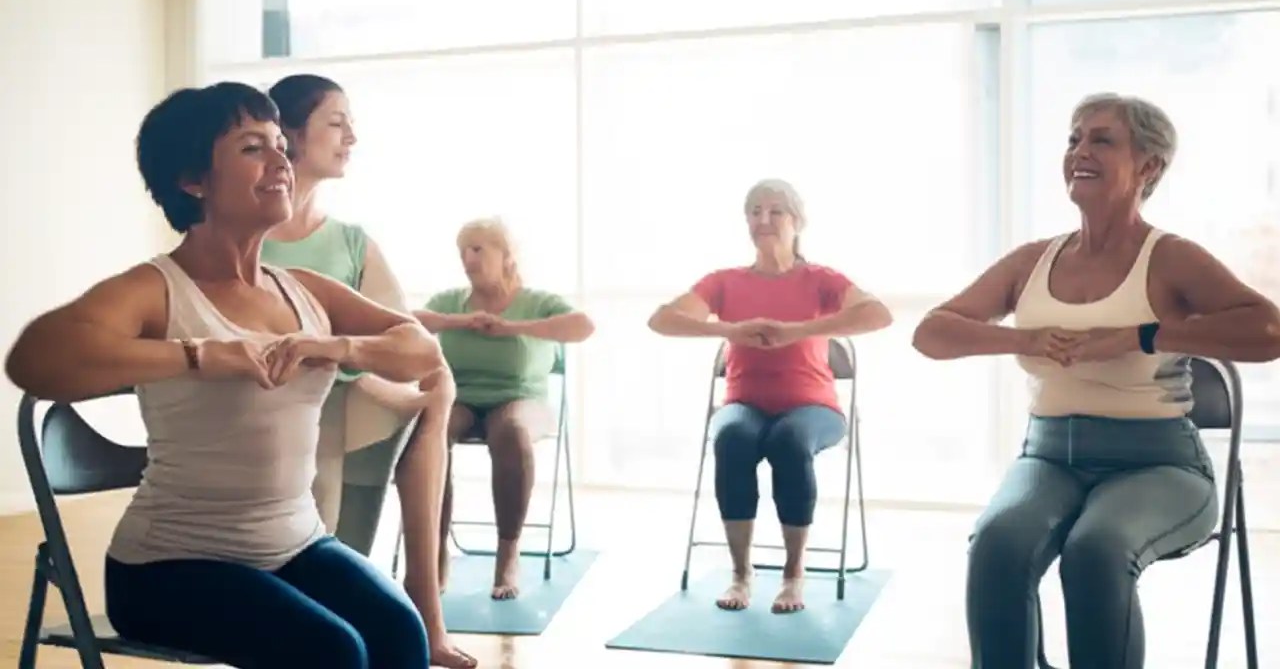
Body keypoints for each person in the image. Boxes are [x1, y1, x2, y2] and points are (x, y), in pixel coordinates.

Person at [3, 82, 443, 668]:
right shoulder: (159, 288)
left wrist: (335, 346)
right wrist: (203, 355)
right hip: (168, 567)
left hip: (295, 545)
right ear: (194, 180)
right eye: (252, 147)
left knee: (399, 634)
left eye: (280, 144)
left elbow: (420, 351)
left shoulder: (303, 290)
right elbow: (34, 360)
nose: (281, 159)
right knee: (332, 653)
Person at [912, 92, 1280, 668]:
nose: (1080, 150)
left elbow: (1269, 330)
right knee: (997, 547)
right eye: (1073, 138)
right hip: (1050, 457)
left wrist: (1144, 335)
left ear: (1149, 166)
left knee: (1097, 550)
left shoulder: (1171, 257)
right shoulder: (1032, 260)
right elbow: (932, 332)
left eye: (1101, 139)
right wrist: (1023, 339)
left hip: (1159, 465)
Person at [261, 73, 475, 668]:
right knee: (416, 393)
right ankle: (385, 606)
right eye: (336, 121)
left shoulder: (352, 241)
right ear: (290, 135)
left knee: (438, 385)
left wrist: (337, 349)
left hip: (346, 390)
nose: (352, 136)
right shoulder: (240, 235)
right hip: (274, 406)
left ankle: (426, 610)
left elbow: (407, 340)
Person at [646, 179, 893, 614]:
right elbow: (662, 319)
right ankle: (742, 574)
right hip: (745, 403)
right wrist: (728, 330)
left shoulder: (820, 280)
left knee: (790, 441)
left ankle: (793, 576)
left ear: (797, 222)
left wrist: (798, 331)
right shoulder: (724, 281)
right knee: (731, 437)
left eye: (775, 211)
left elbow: (878, 314)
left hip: (814, 408)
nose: (763, 219)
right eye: (755, 211)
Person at [414, 217, 595, 600]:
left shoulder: (537, 301)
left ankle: (508, 555)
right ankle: (434, 553)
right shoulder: (450, 300)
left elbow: (583, 326)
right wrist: (458, 321)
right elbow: (409, 322)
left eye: (478, 249)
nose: (468, 258)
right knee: (432, 427)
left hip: (523, 399)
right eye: (463, 250)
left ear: (507, 255)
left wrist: (512, 328)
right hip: (462, 398)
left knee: (509, 432)